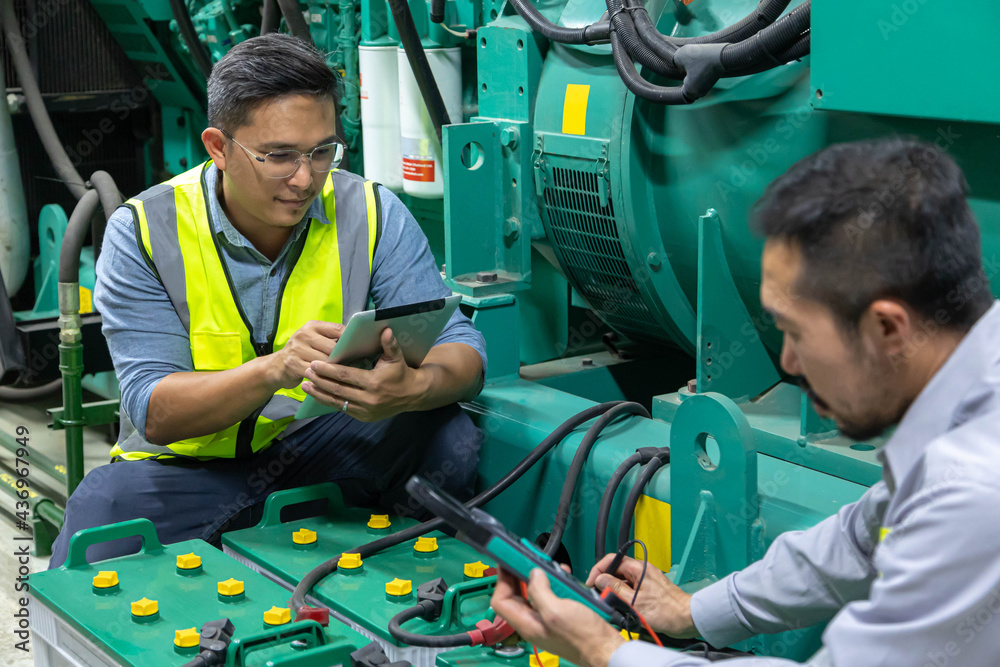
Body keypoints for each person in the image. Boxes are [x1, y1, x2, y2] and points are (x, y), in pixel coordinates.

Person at [491, 138, 1000, 666]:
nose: (789, 363)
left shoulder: (975, 490)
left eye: (796, 332)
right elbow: (858, 540)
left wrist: (604, 653)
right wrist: (693, 610)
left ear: (887, 328)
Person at [48, 34, 486, 568]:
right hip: (184, 472)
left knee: (448, 435)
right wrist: (274, 370)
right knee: (97, 525)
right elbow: (154, 409)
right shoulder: (144, 230)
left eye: (321, 151)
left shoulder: (370, 211)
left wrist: (413, 388)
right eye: (278, 156)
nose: (304, 179)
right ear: (218, 147)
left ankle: (400, 592)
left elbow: (461, 348)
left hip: (316, 448)